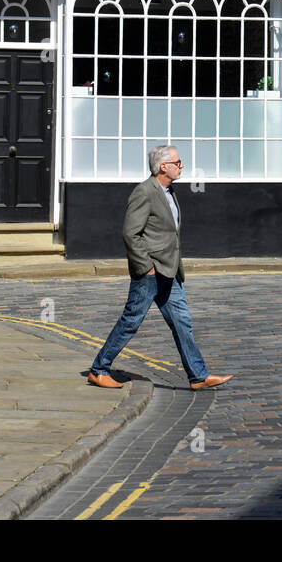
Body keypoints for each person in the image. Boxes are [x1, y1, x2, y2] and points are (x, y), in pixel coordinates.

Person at [86, 144, 232, 391]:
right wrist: (146, 267)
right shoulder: (144, 192)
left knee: (182, 322)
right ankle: (99, 370)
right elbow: (131, 233)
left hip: (170, 271)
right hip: (151, 273)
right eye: (178, 162)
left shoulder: (169, 191)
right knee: (131, 321)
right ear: (163, 166)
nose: (181, 166)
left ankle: (198, 375)